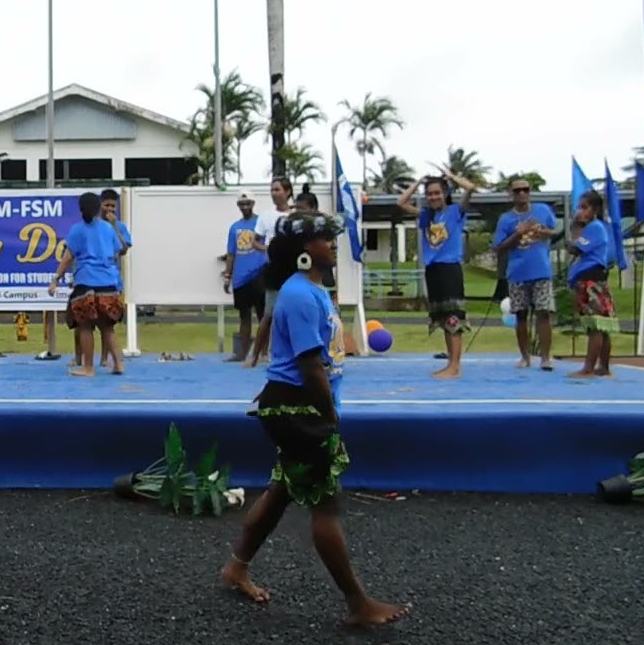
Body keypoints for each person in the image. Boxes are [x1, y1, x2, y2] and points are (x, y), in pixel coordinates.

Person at [220, 211, 409, 627]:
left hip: (292, 404)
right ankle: (358, 603)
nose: (332, 243)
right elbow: (310, 368)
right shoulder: (301, 296)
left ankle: (236, 567)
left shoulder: (310, 290)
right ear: (307, 249)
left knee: (280, 492)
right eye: (325, 238)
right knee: (326, 504)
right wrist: (329, 419)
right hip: (301, 410)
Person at [397, 170, 476, 378]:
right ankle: (450, 363)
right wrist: (418, 181)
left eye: (437, 193)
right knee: (442, 319)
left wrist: (450, 177)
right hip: (433, 270)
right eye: (429, 193)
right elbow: (402, 202)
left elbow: (470, 189)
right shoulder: (426, 216)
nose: (433, 197)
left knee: (453, 318)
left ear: (445, 193)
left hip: (449, 268)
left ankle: (455, 366)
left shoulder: (455, 212)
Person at [48, 192, 125, 376]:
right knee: (107, 327)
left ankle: (88, 367)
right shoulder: (108, 229)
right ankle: (118, 364)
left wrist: (55, 279)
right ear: (99, 208)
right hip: (108, 283)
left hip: (85, 282)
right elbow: (119, 249)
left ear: (81, 209)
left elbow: (68, 257)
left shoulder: (77, 230)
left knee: (85, 326)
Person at [492, 180, 558, 371]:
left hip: (541, 271)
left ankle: (546, 357)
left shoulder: (543, 210)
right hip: (518, 273)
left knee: (543, 313)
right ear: (510, 194)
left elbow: (554, 231)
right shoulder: (505, 219)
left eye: (525, 190)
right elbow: (498, 248)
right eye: (517, 190)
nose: (522, 193)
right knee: (521, 315)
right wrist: (518, 234)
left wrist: (542, 231)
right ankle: (525, 357)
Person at [566, 190, 617, 378]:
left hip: (591, 280)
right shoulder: (596, 227)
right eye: (579, 207)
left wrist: (576, 226)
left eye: (584, 207)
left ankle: (588, 368)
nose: (581, 211)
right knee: (602, 325)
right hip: (594, 278)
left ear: (594, 209)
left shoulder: (594, 228)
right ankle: (603, 366)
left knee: (595, 324)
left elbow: (575, 248)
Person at [250, 178, 295, 363]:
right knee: (268, 314)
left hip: (293, 270)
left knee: (294, 313)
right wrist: (267, 249)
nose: (274, 193)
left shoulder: (295, 215)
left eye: (277, 189)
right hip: (274, 270)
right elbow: (255, 241)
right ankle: (256, 355)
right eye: (272, 190)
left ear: (288, 192)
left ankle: (293, 352)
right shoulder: (266, 216)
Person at [222, 191, 269, 363]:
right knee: (244, 316)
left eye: (248, 203)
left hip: (259, 275)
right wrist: (228, 276)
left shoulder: (261, 223)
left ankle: (263, 353)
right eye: (242, 204)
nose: (245, 207)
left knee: (263, 316)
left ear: (253, 203)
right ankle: (241, 353)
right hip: (240, 278)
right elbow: (231, 254)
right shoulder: (234, 227)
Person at [89, 189, 131, 369]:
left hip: (112, 280)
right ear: (100, 206)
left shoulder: (119, 226)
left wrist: (114, 227)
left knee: (107, 323)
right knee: (88, 322)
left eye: (113, 206)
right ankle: (82, 357)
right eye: (106, 205)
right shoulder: (91, 226)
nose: (109, 209)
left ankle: (106, 358)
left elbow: (124, 249)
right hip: (92, 279)